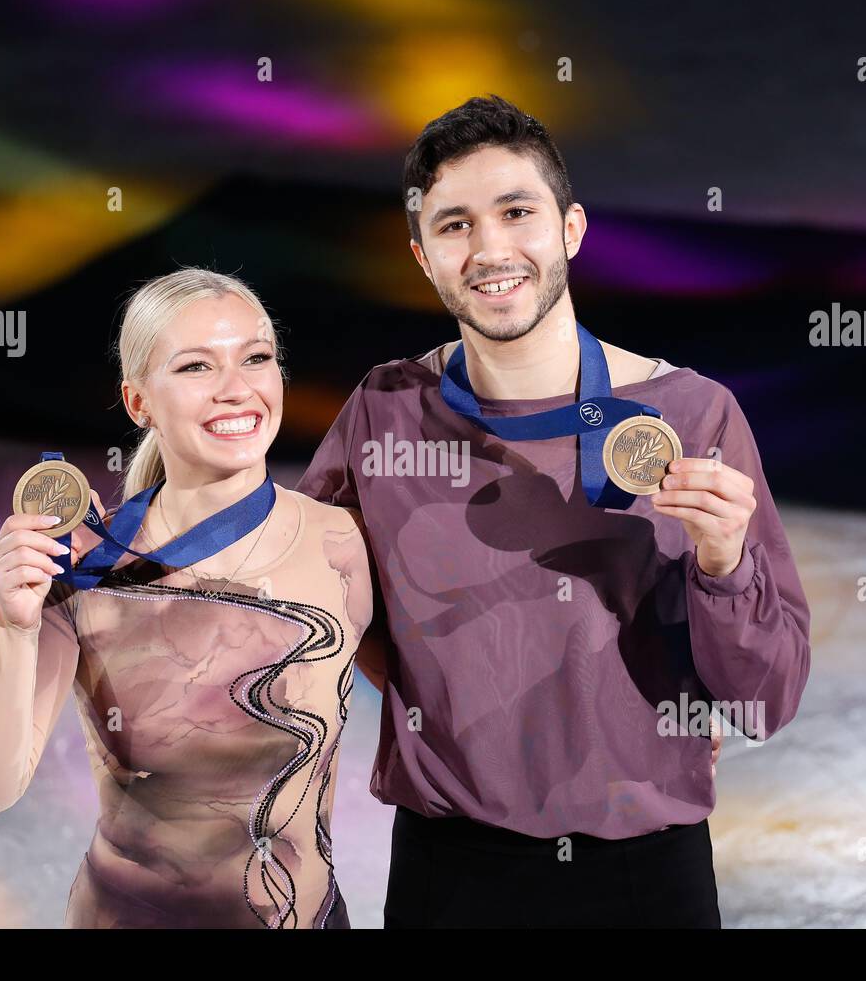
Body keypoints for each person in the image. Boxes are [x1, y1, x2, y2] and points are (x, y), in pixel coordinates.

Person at [295, 95, 812, 928]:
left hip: (646, 877)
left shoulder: (692, 415)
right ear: (423, 256)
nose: (491, 248)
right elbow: (306, 598)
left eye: (516, 212)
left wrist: (724, 567)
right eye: (456, 224)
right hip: (448, 872)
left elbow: (766, 703)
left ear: (570, 230)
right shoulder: (384, 412)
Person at [0, 268, 373, 929]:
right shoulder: (88, 567)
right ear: (138, 402)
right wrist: (11, 628)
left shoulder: (344, 541)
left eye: (256, 358)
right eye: (196, 367)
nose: (237, 388)